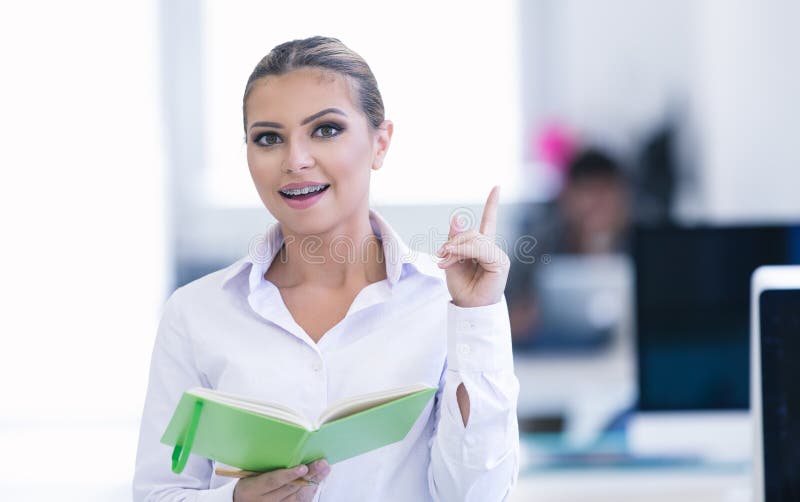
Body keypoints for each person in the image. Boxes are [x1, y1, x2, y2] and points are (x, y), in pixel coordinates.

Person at [133, 36, 520, 501]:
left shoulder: (445, 304)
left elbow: (475, 496)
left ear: (380, 144)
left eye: (325, 130)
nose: (295, 160)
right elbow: (158, 493)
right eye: (268, 138)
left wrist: (477, 314)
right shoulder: (196, 313)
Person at [506, 148, 631, 345]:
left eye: (606, 192)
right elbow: (506, 310)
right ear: (567, 197)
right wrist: (517, 319)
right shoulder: (539, 244)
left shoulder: (639, 244)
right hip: (553, 363)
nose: (598, 204)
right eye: (589, 191)